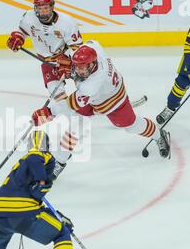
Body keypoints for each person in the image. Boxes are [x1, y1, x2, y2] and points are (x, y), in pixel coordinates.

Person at [31, 40, 171, 160]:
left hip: (113, 101)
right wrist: (68, 59)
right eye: (78, 67)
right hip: (95, 97)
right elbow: (83, 47)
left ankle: (159, 135)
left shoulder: (91, 86)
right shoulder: (94, 47)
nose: (79, 71)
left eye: (83, 68)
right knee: (76, 121)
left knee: (131, 126)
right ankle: (60, 160)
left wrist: (48, 112)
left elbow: (68, 105)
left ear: (92, 65)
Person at [6, 0, 83, 180]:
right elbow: (22, 31)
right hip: (48, 65)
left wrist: (71, 64)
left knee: (90, 91)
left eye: (46, 7)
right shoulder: (29, 17)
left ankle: (106, 105)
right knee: (62, 106)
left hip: (67, 61)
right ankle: (70, 120)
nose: (43, 11)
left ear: (52, 7)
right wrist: (17, 38)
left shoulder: (67, 23)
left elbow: (78, 49)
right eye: (39, 8)